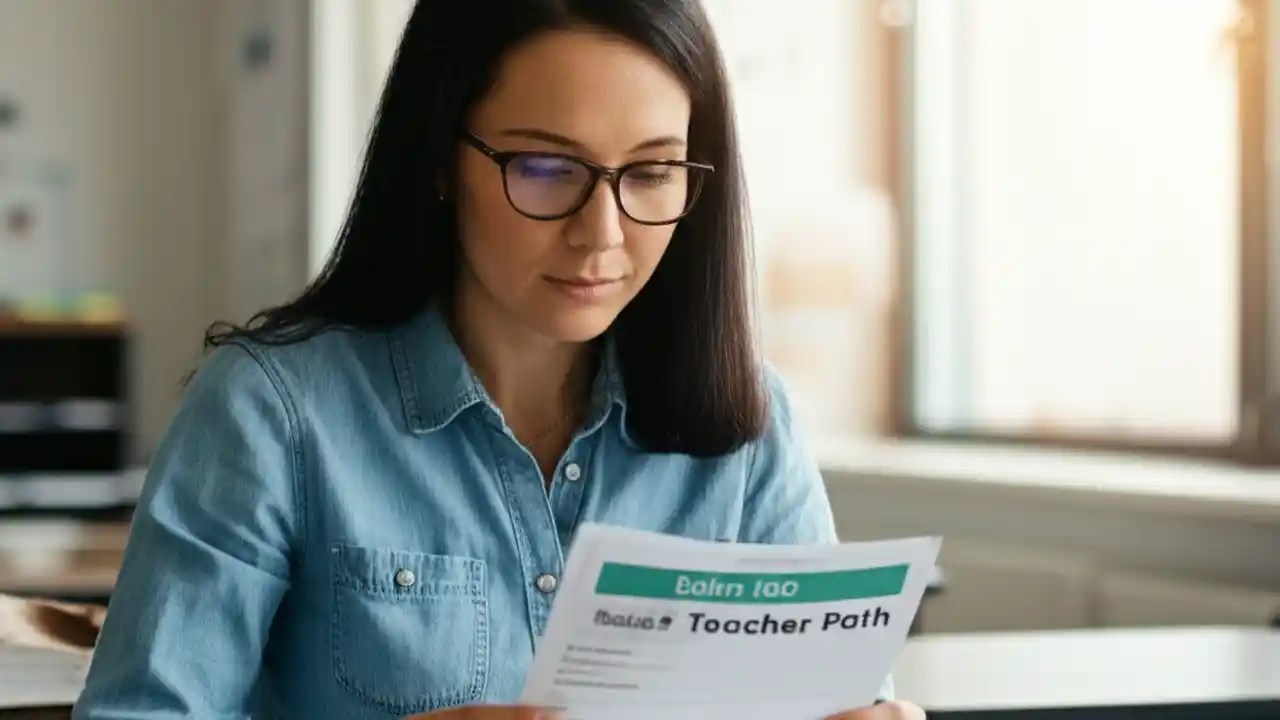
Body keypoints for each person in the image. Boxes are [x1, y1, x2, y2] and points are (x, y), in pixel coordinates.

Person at [74, 1, 924, 718]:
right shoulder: (271, 415)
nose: (604, 234)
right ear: (442, 158)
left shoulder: (748, 426)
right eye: (547, 167)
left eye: (653, 172)